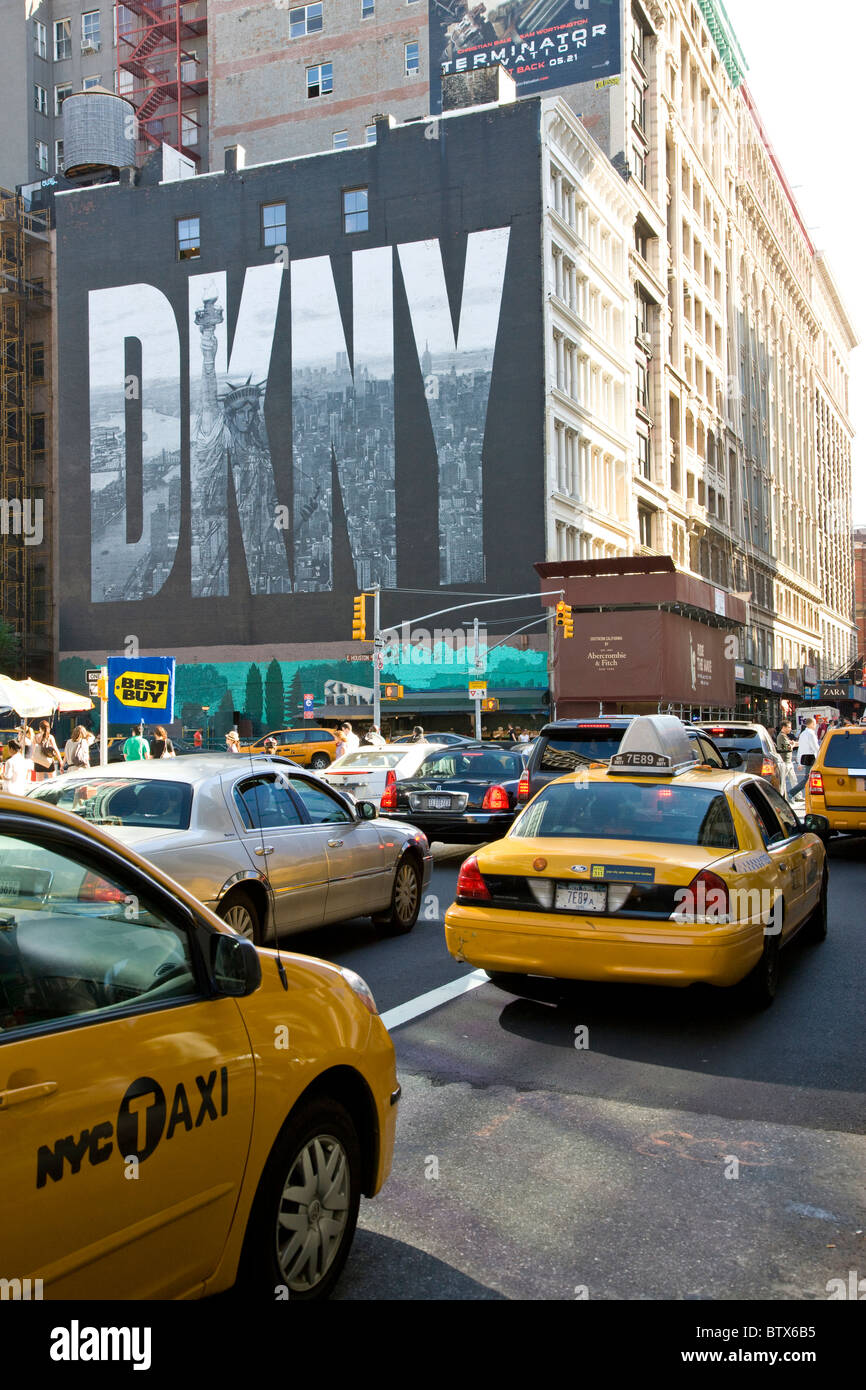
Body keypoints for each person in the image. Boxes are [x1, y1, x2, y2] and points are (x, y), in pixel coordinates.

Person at [775, 720, 796, 799]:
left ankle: (797, 795)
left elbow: (786, 745)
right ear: (784, 727)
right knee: (783, 780)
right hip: (785, 761)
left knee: (794, 779)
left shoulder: (784, 736)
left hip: (788, 760)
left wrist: (792, 743)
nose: (790, 729)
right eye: (789, 727)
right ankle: (782, 796)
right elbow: (786, 747)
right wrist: (792, 745)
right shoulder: (781, 736)